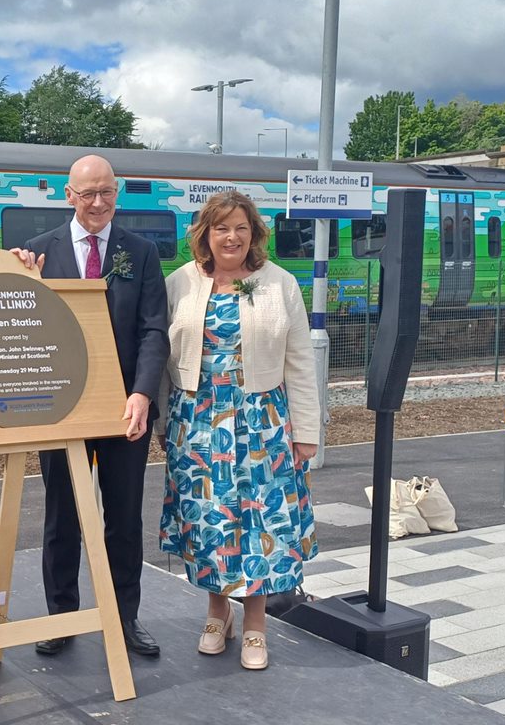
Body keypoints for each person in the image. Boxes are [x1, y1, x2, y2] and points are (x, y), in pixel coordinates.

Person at [158, 190, 319, 670]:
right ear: (205, 233)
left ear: (255, 234)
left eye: (241, 228)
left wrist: (306, 431)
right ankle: (216, 614)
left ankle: (255, 625)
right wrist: (162, 421)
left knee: (259, 524)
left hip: (262, 422)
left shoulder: (280, 283)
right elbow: (159, 356)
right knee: (209, 521)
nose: (232, 237)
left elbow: (300, 362)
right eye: (222, 227)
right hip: (197, 420)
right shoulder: (179, 283)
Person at [21, 154, 169, 657]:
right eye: (88, 193)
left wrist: (142, 393)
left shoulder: (141, 252)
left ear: (116, 192)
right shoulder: (37, 253)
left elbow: (153, 329)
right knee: (62, 517)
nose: (99, 202)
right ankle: (62, 616)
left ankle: (124, 617)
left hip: (125, 408)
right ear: (69, 195)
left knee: (123, 519)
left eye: (106, 191)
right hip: (61, 408)